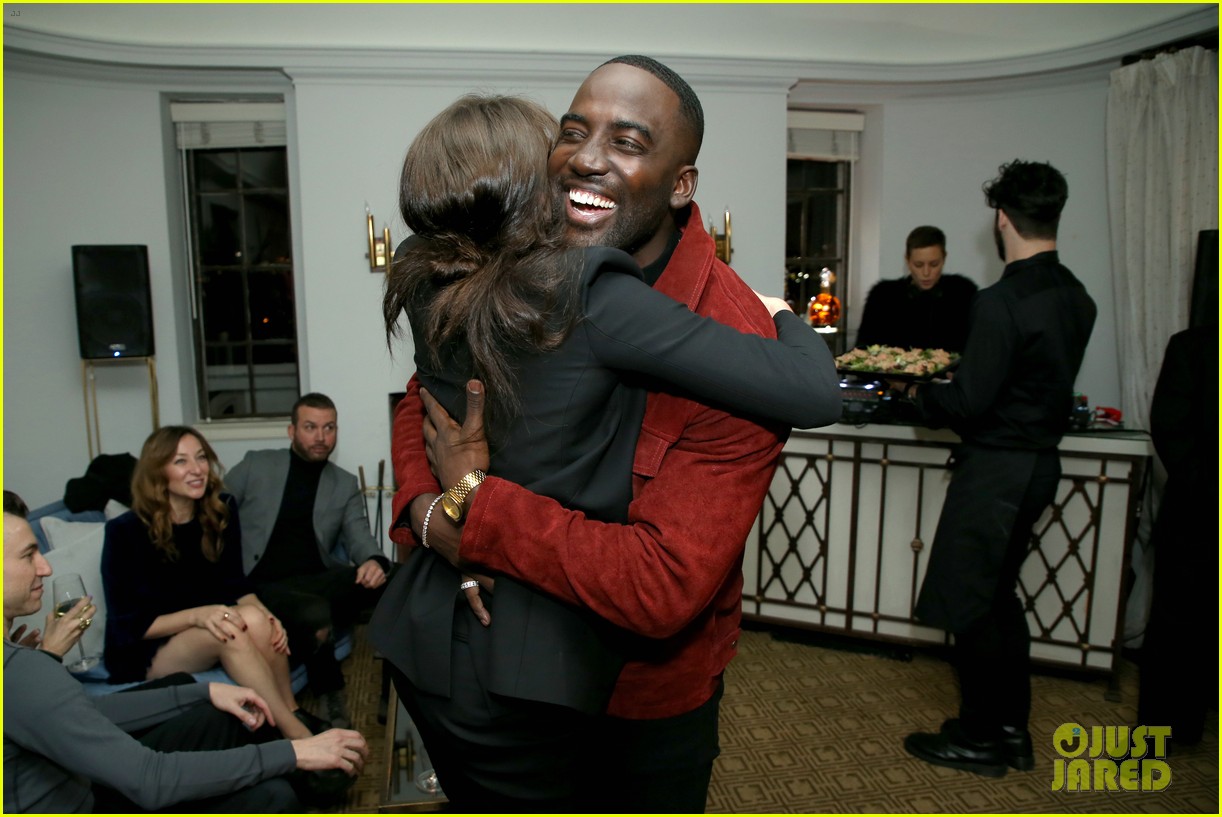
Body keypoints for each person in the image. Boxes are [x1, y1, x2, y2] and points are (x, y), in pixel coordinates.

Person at [383, 57, 841, 812]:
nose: (587, 158)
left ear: (681, 183)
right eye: (572, 133)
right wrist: (431, 515)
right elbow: (425, 397)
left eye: (627, 142)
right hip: (501, 661)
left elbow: (660, 584)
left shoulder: (729, 332)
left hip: (642, 696)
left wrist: (474, 514)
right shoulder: (517, 259)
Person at [900, 160, 1097, 776]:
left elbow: (967, 402)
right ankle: (1012, 730)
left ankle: (980, 739)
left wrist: (917, 394)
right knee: (1001, 599)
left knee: (973, 605)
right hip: (1040, 467)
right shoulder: (1077, 297)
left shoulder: (1001, 301)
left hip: (997, 472)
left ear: (1002, 220)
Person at [4, 489, 368, 813]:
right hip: (88, 799)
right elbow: (149, 778)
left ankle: (298, 756)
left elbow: (86, 712)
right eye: (28, 555)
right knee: (275, 798)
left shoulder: (22, 662)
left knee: (221, 713)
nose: (46, 567)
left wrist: (205, 691)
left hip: (81, 779)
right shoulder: (22, 670)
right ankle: (302, 757)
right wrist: (292, 754)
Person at [101, 426, 326, 741]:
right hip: (146, 648)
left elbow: (236, 585)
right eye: (181, 461)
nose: (196, 469)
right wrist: (198, 615)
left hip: (207, 622)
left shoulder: (220, 510)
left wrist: (268, 617)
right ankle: (296, 736)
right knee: (228, 632)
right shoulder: (125, 532)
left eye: (201, 457)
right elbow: (128, 625)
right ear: (157, 472)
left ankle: (291, 709)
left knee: (257, 620)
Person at [227, 392, 391, 729]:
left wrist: (374, 560)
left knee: (399, 578)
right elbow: (215, 511)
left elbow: (359, 534)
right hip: (262, 585)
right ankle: (332, 699)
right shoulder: (256, 465)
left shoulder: (343, 483)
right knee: (314, 612)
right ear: (292, 431)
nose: (321, 437)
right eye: (310, 427)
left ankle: (395, 685)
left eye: (329, 428)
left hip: (317, 580)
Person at [1136, 323, 1218, 749]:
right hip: (1197, 512)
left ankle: (1193, 718)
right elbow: (1170, 427)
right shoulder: (1193, 346)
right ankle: (1158, 737)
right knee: (1175, 626)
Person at [855, 225, 978, 352]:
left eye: (934, 264)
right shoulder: (883, 297)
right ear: (907, 260)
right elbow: (863, 350)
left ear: (944, 259)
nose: (926, 272)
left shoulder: (963, 293)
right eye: (918, 265)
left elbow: (978, 348)